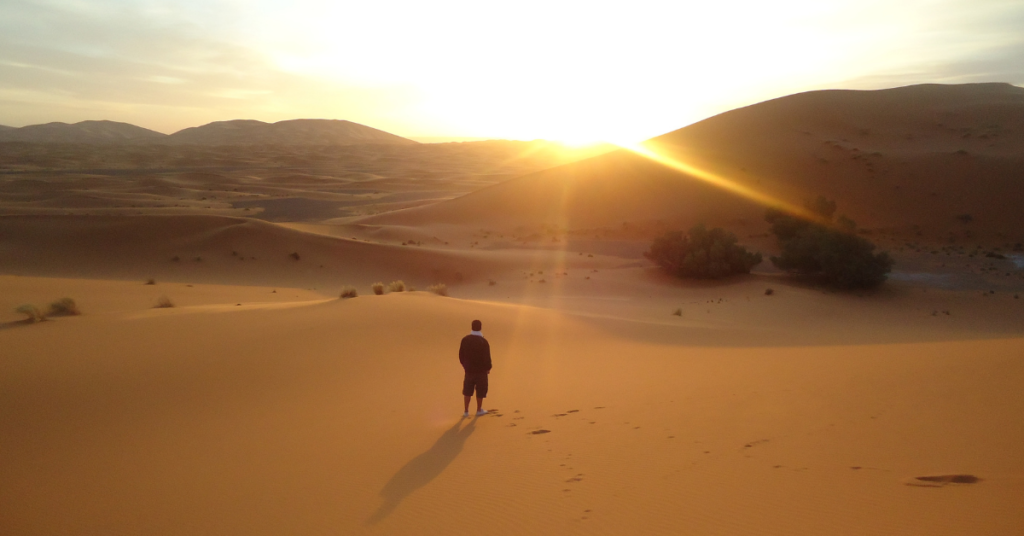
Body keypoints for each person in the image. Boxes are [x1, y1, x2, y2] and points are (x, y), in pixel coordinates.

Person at [459, 319, 492, 417]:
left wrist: (465, 366)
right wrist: (488, 368)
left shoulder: (465, 340)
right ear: (480, 327)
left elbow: (461, 355)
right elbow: (487, 357)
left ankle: (466, 411)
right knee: (480, 390)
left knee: (467, 391)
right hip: (481, 372)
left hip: (469, 371)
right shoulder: (483, 341)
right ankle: (478, 410)